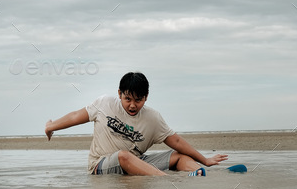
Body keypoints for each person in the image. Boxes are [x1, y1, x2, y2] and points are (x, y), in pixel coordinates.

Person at [45, 72, 228, 176]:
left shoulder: (153, 118)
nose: (132, 105)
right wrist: (50, 126)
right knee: (124, 156)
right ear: (119, 94)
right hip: (100, 166)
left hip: (136, 163)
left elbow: (177, 142)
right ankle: (166, 180)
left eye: (138, 100)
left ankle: (201, 175)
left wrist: (205, 160)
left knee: (179, 156)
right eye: (127, 99)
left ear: (146, 97)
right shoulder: (104, 104)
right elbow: (76, 115)